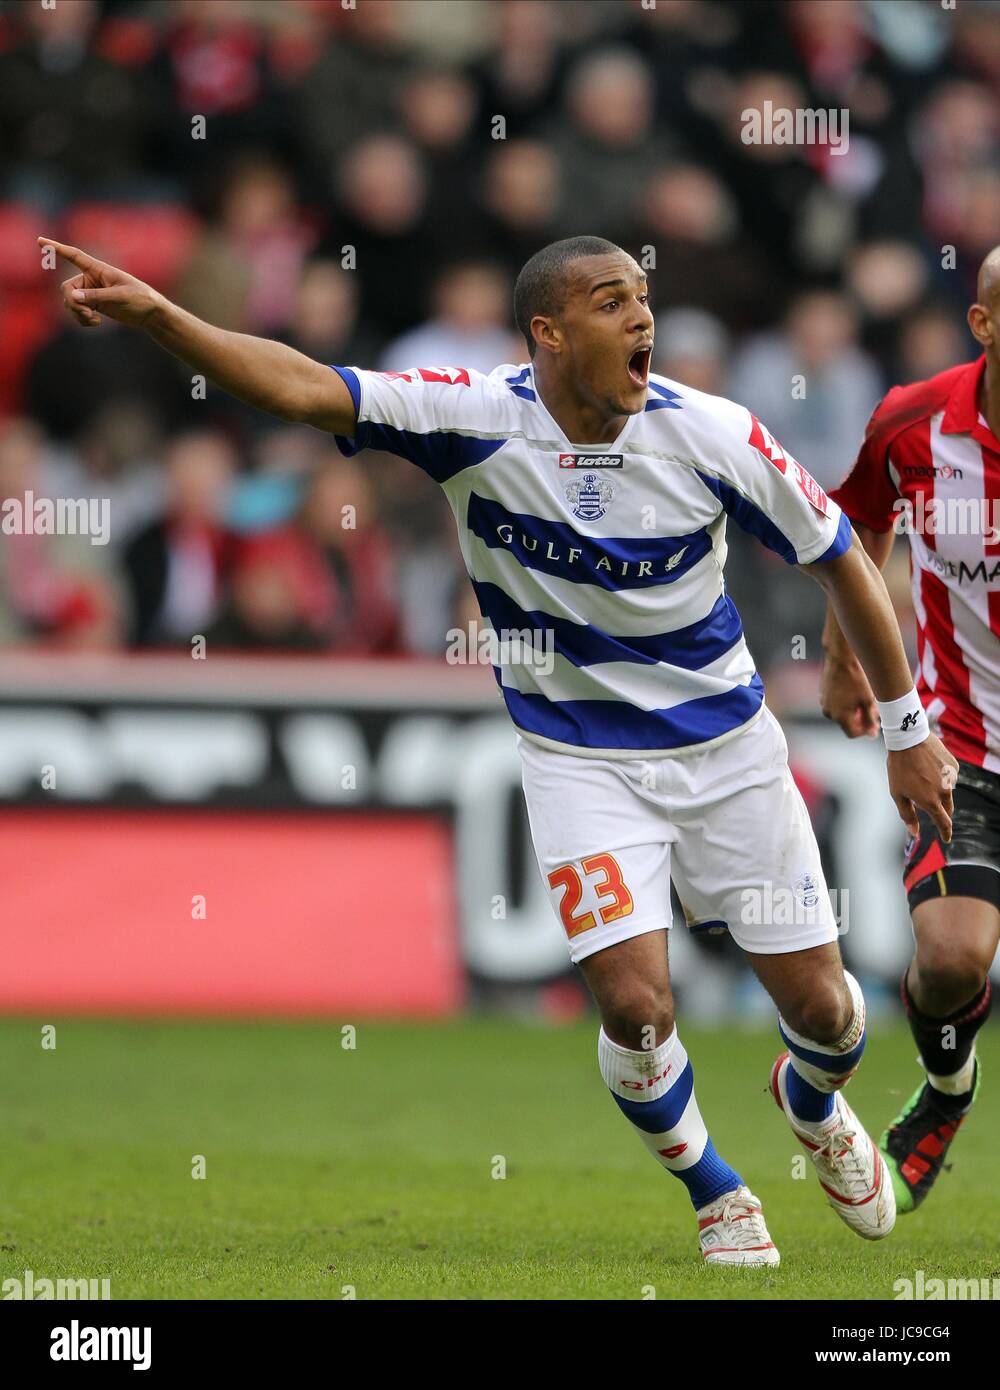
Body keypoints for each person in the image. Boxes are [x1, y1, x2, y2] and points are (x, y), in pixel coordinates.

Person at [39, 231, 957, 1266]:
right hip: (577, 755)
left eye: (643, 298)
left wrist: (903, 727)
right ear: (548, 333)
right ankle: (714, 1185)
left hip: (728, 751)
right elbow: (300, 387)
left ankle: (808, 1094)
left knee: (829, 1015)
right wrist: (162, 315)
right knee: (636, 1006)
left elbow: (843, 560)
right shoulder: (474, 416)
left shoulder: (714, 433)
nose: (642, 318)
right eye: (612, 302)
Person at [822, 244, 1000, 1215]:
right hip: (962, 750)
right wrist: (846, 658)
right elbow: (850, 528)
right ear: (983, 325)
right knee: (945, 962)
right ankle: (946, 1090)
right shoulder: (915, 420)